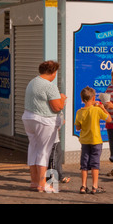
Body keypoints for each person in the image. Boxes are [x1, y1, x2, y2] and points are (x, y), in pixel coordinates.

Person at [22, 60, 67, 192]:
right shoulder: (49, 86)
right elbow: (57, 107)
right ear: (52, 72)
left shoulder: (32, 82)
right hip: (44, 120)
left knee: (33, 148)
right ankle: (43, 184)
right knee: (44, 151)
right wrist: (62, 99)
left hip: (28, 117)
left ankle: (34, 181)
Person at [75, 87, 112, 194]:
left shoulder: (79, 112)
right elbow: (109, 119)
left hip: (84, 141)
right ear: (94, 98)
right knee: (95, 164)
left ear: (82, 99)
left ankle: (83, 186)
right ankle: (94, 186)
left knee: (84, 164)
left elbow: (78, 127)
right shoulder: (97, 110)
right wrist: (102, 108)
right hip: (96, 141)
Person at [47, 113, 70, 185]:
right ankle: (55, 177)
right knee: (54, 158)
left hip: (50, 138)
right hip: (53, 139)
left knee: (55, 156)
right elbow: (58, 125)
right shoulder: (54, 110)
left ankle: (53, 176)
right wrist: (61, 123)